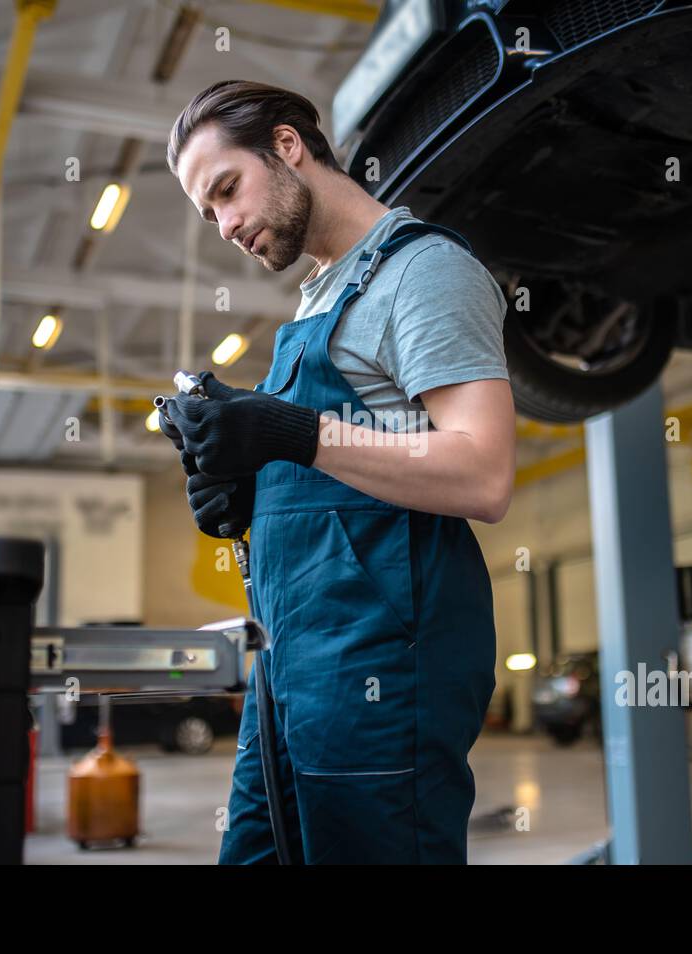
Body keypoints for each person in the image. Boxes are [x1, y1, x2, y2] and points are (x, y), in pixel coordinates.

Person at [160, 80, 515, 864]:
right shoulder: (317, 301)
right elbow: (340, 469)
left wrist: (289, 429)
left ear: (288, 146)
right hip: (289, 665)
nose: (224, 225)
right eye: (208, 213)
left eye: (227, 190)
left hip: (380, 672)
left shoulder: (422, 272)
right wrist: (244, 483)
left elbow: (483, 473)